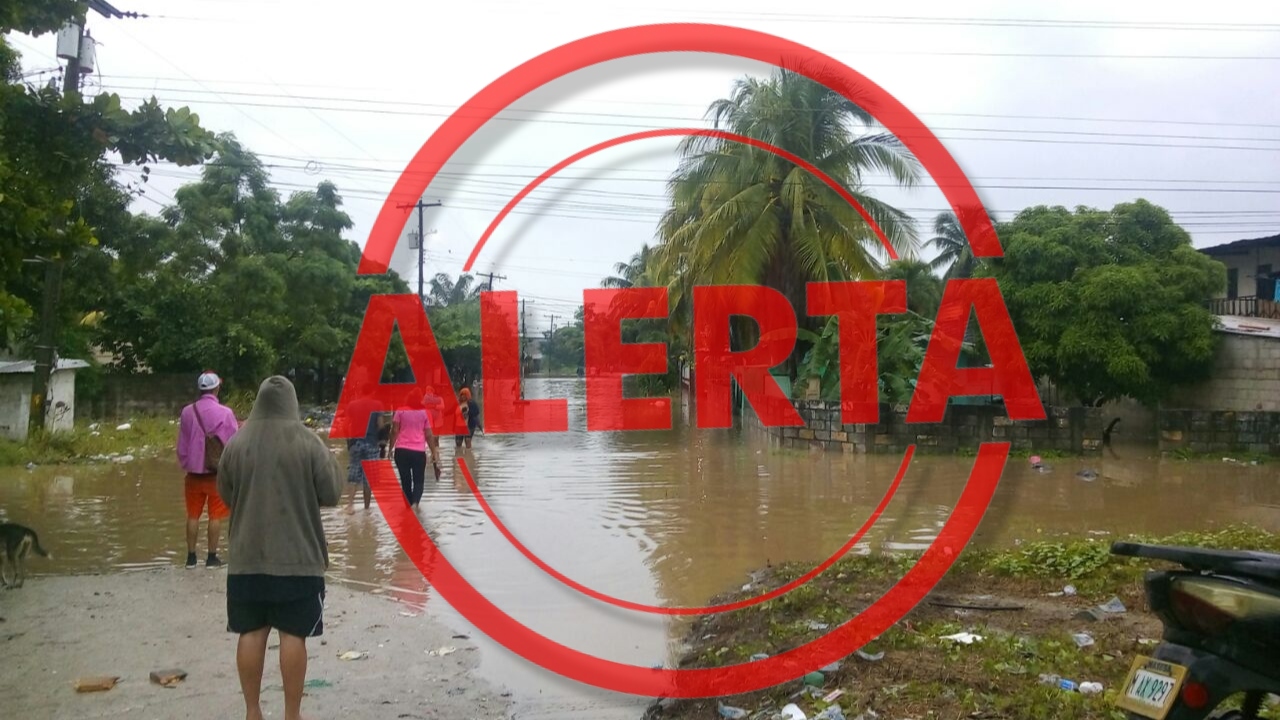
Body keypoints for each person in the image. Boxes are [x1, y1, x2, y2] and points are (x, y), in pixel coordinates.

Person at [216, 375, 341, 720]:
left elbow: (226, 494)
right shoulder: (309, 442)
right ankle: (291, 714)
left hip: (246, 560)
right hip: (298, 561)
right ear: (293, 403)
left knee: (250, 633)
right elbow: (331, 493)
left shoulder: (237, 444)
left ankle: (252, 711)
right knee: (293, 636)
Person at [176, 371, 239, 569]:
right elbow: (234, 443)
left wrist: (190, 463)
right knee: (215, 517)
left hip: (193, 476)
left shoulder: (187, 412)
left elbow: (182, 446)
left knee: (193, 516)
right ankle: (212, 558)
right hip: (216, 476)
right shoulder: (226, 413)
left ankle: (191, 558)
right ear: (216, 388)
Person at [342, 374, 384, 513]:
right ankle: (367, 509)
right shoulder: (377, 405)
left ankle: (350, 505)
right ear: (372, 392)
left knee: (354, 474)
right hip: (371, 444)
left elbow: (346, 426)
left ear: (361, 392)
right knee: (368, 479)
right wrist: (382, 441)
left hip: (355, 443)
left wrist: (349, 442)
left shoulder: (352, 405)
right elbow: (380, 425)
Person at [389, 391, 430, 507]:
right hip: (418, 452)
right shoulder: (424, 413)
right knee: (419, 480)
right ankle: (415, 504)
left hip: (401, 451)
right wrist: (434, 452)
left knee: (405, 480)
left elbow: (394, 431)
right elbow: (429, 435)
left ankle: (408, 507)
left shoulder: (400, 411)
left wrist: (390, 448)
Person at [422, 385, 444, 479]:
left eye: (430, 390)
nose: (429, 392)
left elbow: (442, 407)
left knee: (436, 438)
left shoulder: (439, 399)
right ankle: (430, 454)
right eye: (427, 390)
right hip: (427, 422)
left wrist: (433, 405)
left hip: (438, 422)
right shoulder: (424, 399)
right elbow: (421, 405)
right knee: (427, 437)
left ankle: (436, 454)